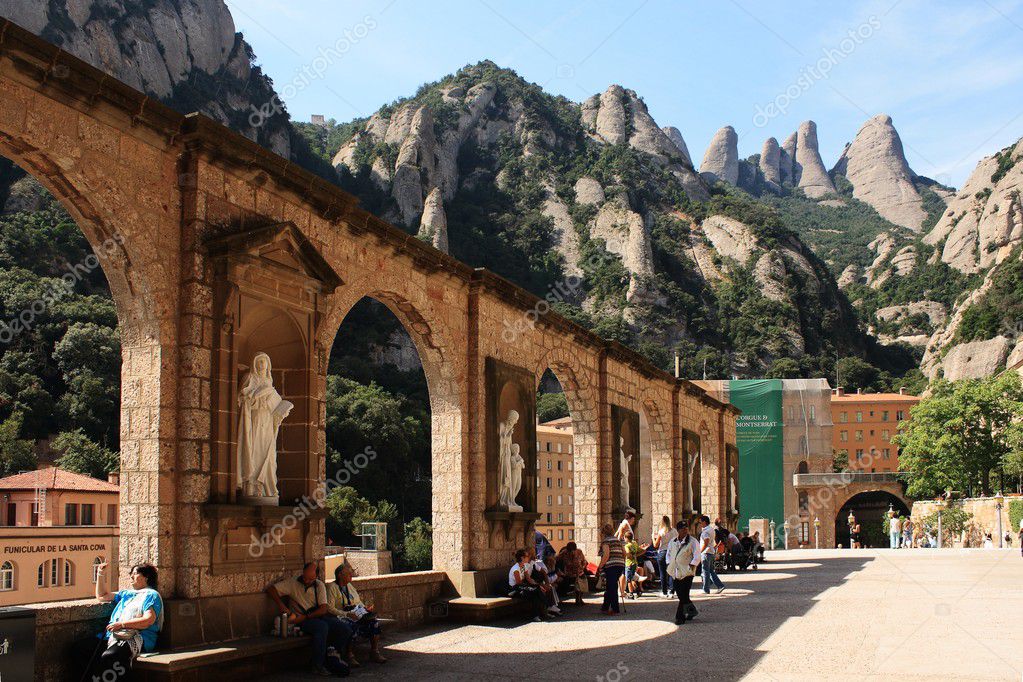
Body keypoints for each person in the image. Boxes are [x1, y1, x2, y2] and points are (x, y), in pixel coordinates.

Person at [73, 562, 163, 682]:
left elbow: (148, 620)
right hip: (113, 636)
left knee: (110, 656)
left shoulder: (151, 595)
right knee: (79, 648)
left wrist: (122, 625)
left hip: (136, 637)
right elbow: (102, 596)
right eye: (131, 573)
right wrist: (100, 573)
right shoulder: (127, 594)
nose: (131, 576)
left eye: (135, 573)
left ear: (146, 577)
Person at [267, 561, 352, 677]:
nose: (307, 581)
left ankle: (332, 653)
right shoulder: (293, 583)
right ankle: (317, 665)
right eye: (305, 578)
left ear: (316, 577)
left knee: (344, 628)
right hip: (300, 620)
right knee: (322, 628)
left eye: (310, 580)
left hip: (313, 616)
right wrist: (282, 606)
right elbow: (271, 590)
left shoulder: (319, 585)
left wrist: (307, 616)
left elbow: (323, 609)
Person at [325, 561, 386, 666]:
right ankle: (349, 655)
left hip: (355, 614)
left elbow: (357, 601)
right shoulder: (332, 587)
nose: (351, 575)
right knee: (350, 625)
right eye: (348, 574)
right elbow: (329, 608)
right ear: (340, 575)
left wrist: (365, 609)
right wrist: (346, 614)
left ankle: (374, 651)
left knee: (373, 622)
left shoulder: (350, 587)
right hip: (341, 616)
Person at [665, 520, 701, 624]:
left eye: (686, 528)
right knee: (682, 595)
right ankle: (691, 611)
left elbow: (697, 555)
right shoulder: (673, 541)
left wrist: (692, 566)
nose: (685, 531)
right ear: (678, 530)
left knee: (683, 594)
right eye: (682, 529)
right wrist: (669, 564)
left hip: (687, 572)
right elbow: (668, 554)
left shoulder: (692, 541)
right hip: (675, 572)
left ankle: (679, 617)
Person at [508, 548, 547, 621]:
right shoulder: (516, 569)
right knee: (536, 591)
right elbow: (518, 583)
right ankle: (546, 605)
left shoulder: (524, 566)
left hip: (522, 587)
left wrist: (536, 585)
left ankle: (536, 615)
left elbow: (529, 579)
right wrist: (535, 587)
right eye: (527, 556)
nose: (528, 557)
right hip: (515, 589)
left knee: (536, 593)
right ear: (522, 558)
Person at [597, 522, 626, 615]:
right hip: (620, 564)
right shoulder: (618, 541)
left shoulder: (606, 541)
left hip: (611, 565)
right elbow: (624, 553)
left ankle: (615, 608)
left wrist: (600, 566)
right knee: (611, 586)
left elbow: (606, 555)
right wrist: (622, 561)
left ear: (603, 532)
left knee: (611, 587)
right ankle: (605, 607)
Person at [697, 515, 725, 594]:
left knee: (705, 571)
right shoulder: (711, 529)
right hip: (711, 552)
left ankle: (706, 589)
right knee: (710, 571)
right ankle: (719, 585)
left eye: (700, 522)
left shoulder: (705, 531)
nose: (700, 524)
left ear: (704, 522)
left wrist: (700, 551)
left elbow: (706, 541)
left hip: (706, 552)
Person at [652, 515, 677, 597]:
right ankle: (672, 591)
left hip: (662, 552)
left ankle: (664, 592)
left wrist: (653, 538)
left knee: (662, 573)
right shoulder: (674, 531)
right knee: (671, 572)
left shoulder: (661, 532)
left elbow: (656, 545)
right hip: (672, 552)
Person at [623, 531, 643, 598]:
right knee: (633, 578)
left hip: (629, 563)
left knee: (628, 580)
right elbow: (641, 550)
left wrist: (628, 556)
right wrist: (636, 555)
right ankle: (638, 591)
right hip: (635, 563)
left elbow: (628, 554)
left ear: (626, 538)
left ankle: (631, 594)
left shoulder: (627, 546)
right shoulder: (634, 543)